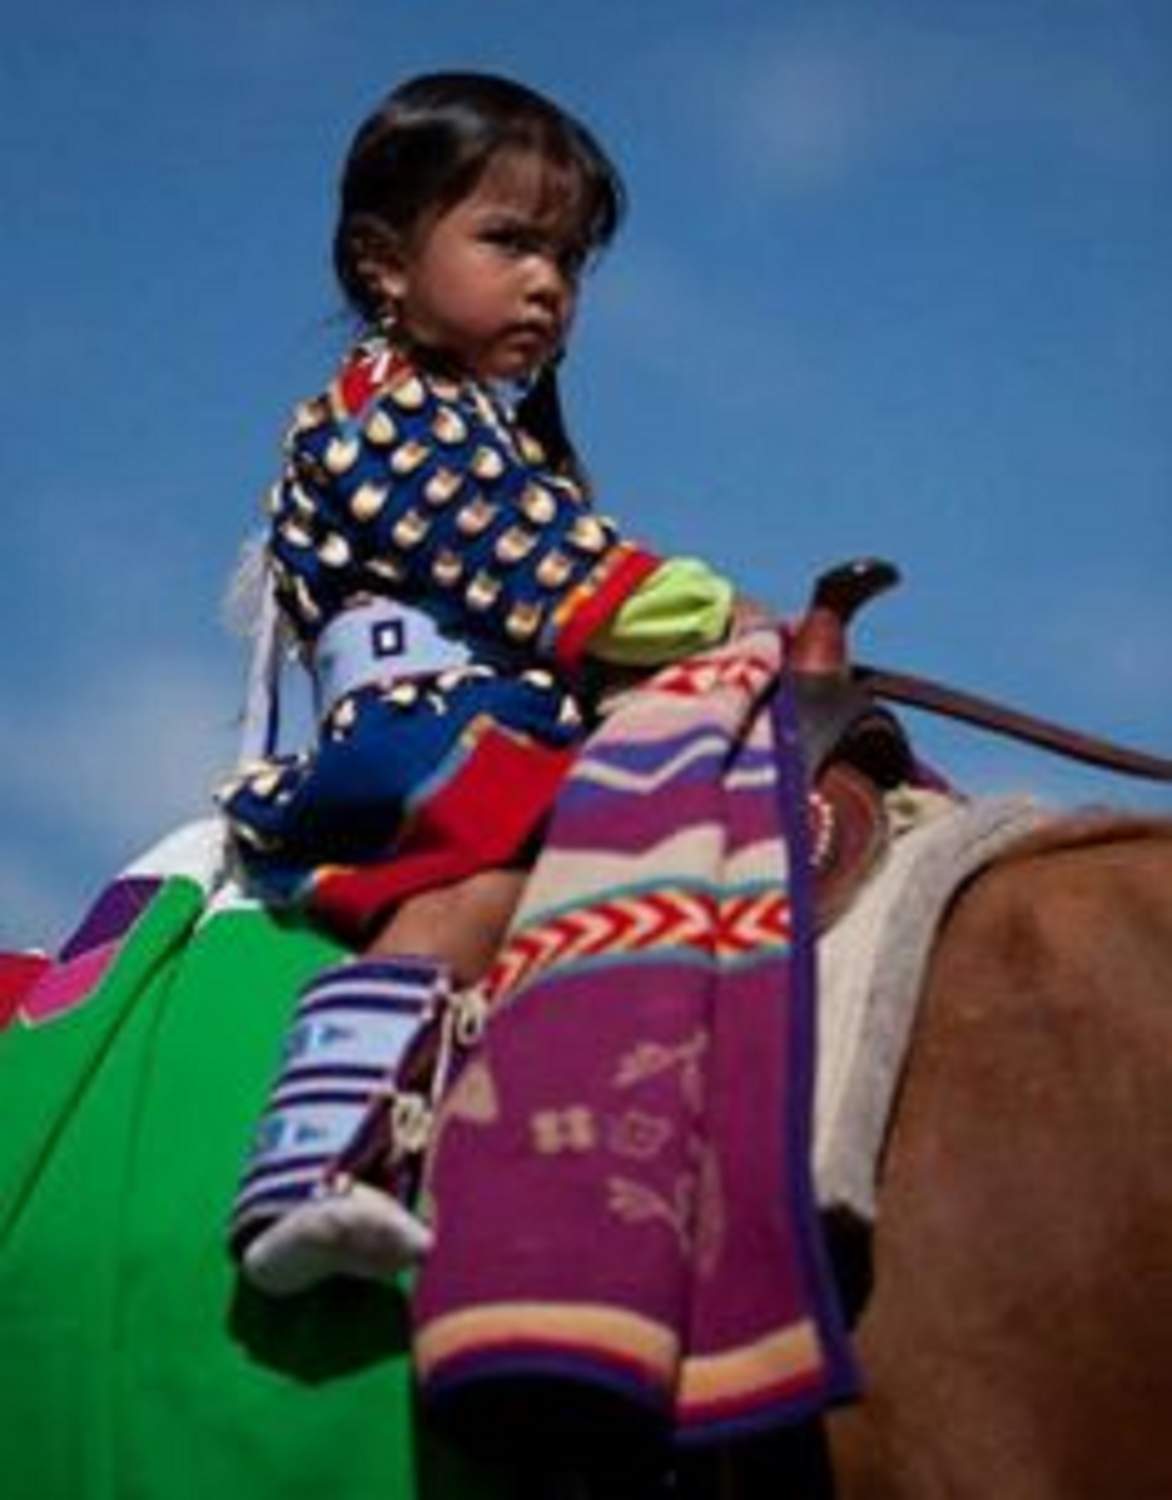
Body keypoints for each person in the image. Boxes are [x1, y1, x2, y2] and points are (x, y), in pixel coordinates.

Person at [218, 72, 758, 1296]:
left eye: (566, 257)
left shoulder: (479, 418)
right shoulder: (387, 416)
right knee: (494, 865)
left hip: (490, 711)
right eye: (509, 240)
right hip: (425, 733)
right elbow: (530, 563)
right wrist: (722, 618)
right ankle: (311, 1172)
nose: (546, 282)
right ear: (384, 263)